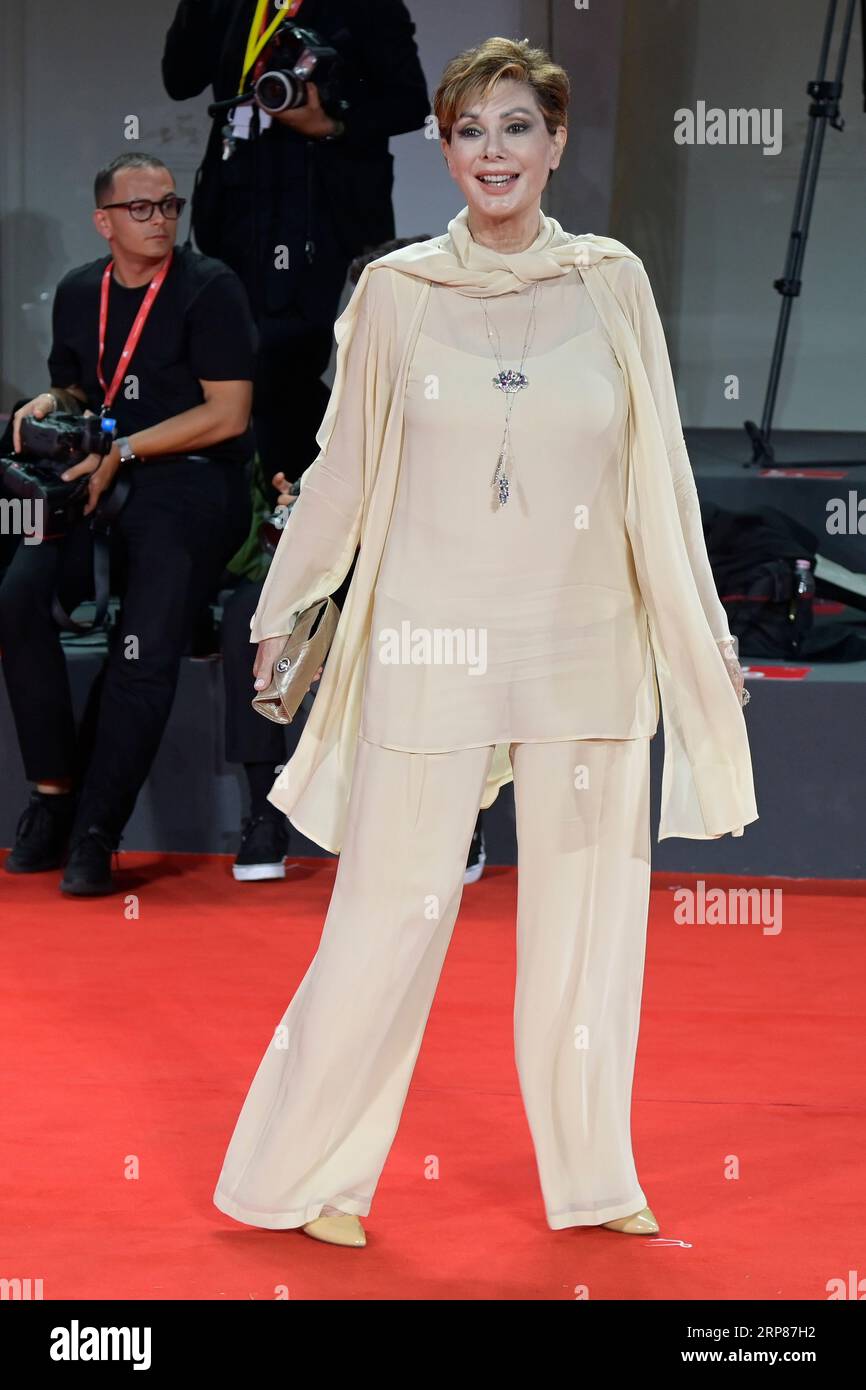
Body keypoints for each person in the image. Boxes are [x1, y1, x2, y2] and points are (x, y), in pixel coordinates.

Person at [212, 37, 758, 1247]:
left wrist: (698, 628)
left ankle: (594, 1178)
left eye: (517, 127)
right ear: (444, 150)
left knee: (590, 922)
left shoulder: (611, 280)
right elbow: (344, 473)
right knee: (387, 910)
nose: (495, 152)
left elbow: (658, 471)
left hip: (585, 635)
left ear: (555, 143)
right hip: (430, 633)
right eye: (471, 132)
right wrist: (283, 605)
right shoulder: (398, 291)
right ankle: (303, 1179)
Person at [0, 153, 257, 896]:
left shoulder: (210, 287)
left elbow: (228, 412)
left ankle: (96, 830)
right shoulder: (83, 291)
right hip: (97, 470)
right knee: (19, 596)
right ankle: (53, 797)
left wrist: (129, 449)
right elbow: (79, 383)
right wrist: (53, 405)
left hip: (188, 477)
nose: (162, 220)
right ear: (104, 221)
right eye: (142, 208)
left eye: (171, 205)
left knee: (142, 646)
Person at [161, 0, 430, 485]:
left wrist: (331, 121)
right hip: (237, 208)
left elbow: (409, 101)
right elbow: (180, 79)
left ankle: (311, 502)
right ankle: (277, 507)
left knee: (284, 366)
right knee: (239, 365)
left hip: (321, 212)